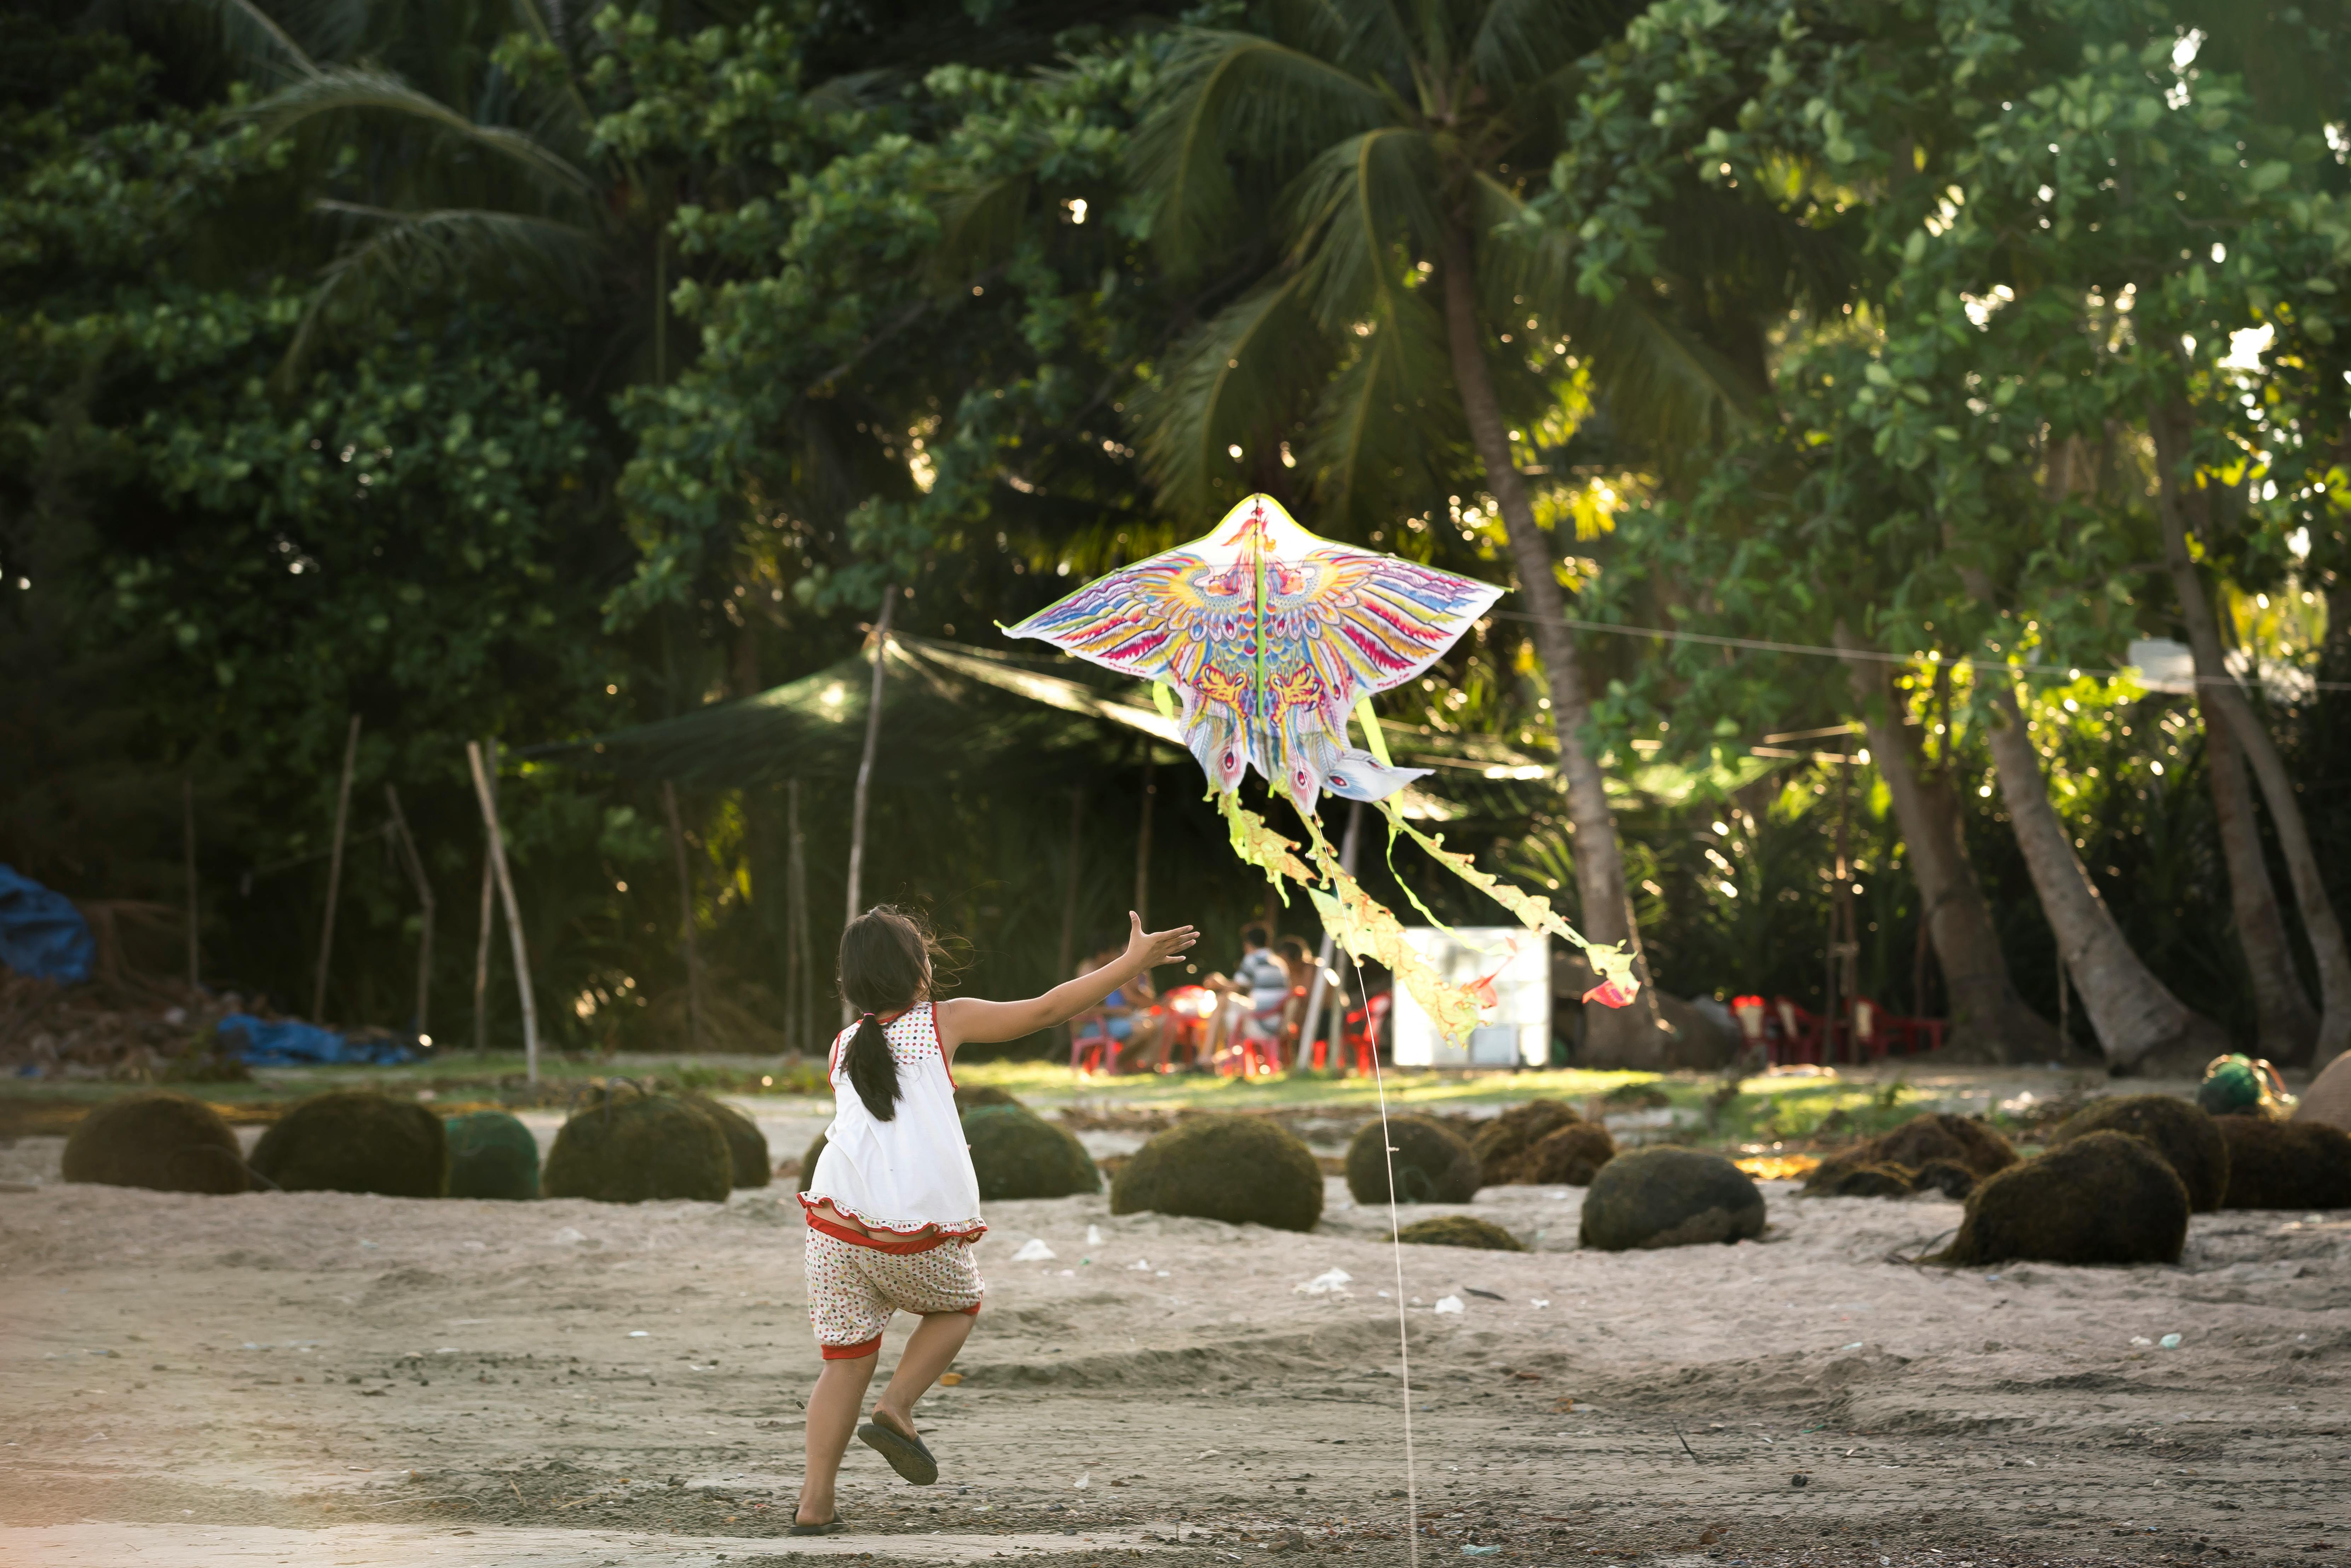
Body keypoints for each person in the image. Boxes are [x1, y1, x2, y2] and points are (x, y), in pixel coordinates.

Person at [790, 904, 1198, 1534]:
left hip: (831, 1228)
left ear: (851, 982)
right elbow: (1047, 1010)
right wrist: (1129, 964)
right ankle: (897, 1406)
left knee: (843, 1363)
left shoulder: (843, 1045)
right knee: (958, 1307)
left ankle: (814, 1506)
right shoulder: (940, 1021)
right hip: (908, 1231)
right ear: (919, 972)